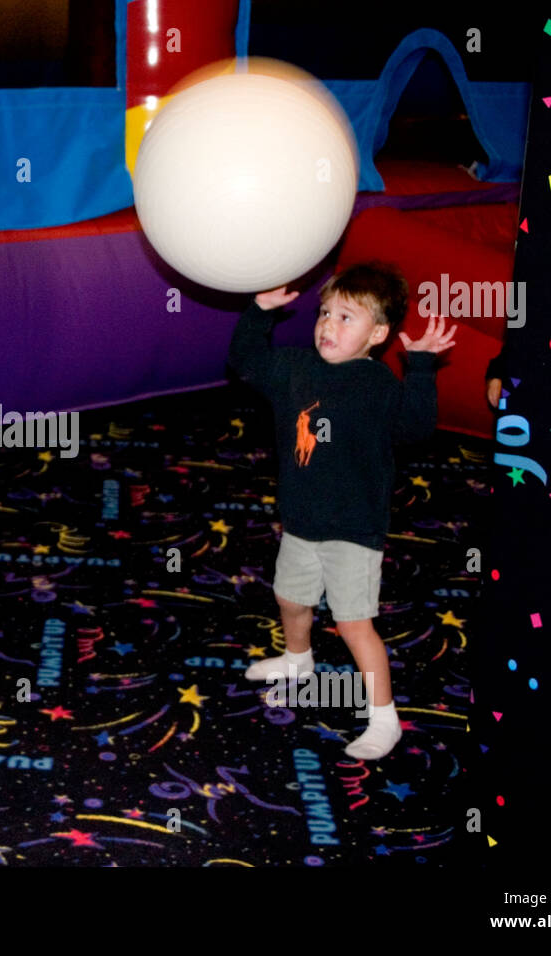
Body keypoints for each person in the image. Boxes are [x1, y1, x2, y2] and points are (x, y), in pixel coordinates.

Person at [226, 262, 456, 760]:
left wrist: (419, 368)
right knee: (290, 599)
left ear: (378, 333)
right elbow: (244, 362)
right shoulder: (294, 369)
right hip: (301, 522)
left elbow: (416, 429)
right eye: (325, 312)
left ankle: (384, 718)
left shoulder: (376, 386)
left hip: (354, 530)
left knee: (354, 624)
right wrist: (258, 312)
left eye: (346, 318)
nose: (328, 325)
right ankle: (297, 659)